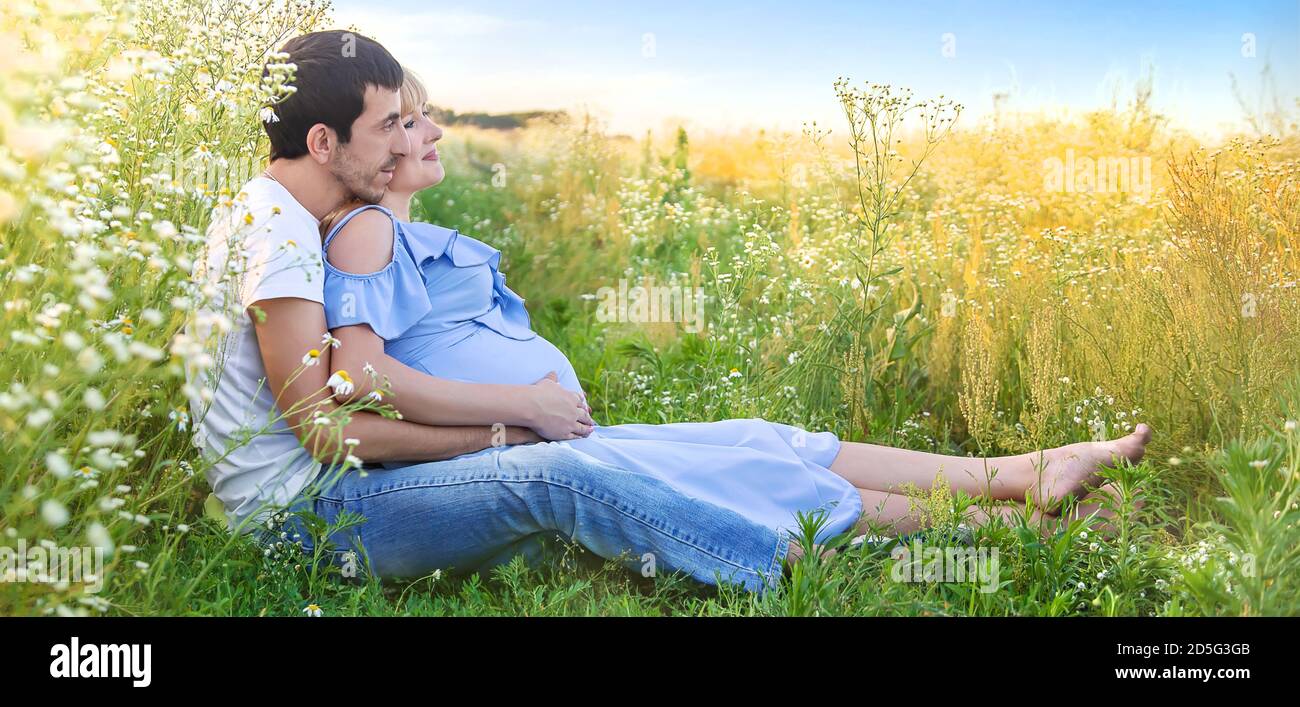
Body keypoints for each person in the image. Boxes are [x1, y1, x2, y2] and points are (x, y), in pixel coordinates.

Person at [304, 66, 1153, 578]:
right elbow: (358, 378)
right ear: (352, 144)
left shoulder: (403, 231)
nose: (431, 129)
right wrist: (520, 411)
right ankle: (1003, 516)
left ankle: (1018, 471)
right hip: (526, 446)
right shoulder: (368, 228)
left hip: (541, 435)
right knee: (753, 470)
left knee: (761, 437)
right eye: (405, 121)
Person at [185, 30, 813, 596]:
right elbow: (327, 433)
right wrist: (503, 432)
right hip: (307, 520)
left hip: (338, 494)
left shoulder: (268, 211)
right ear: (323, 141)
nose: (403, 144)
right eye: (386, 127)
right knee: (554, 475)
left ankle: (788, 523)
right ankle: (790, 568)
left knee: (583, 495)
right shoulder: (279, 240)